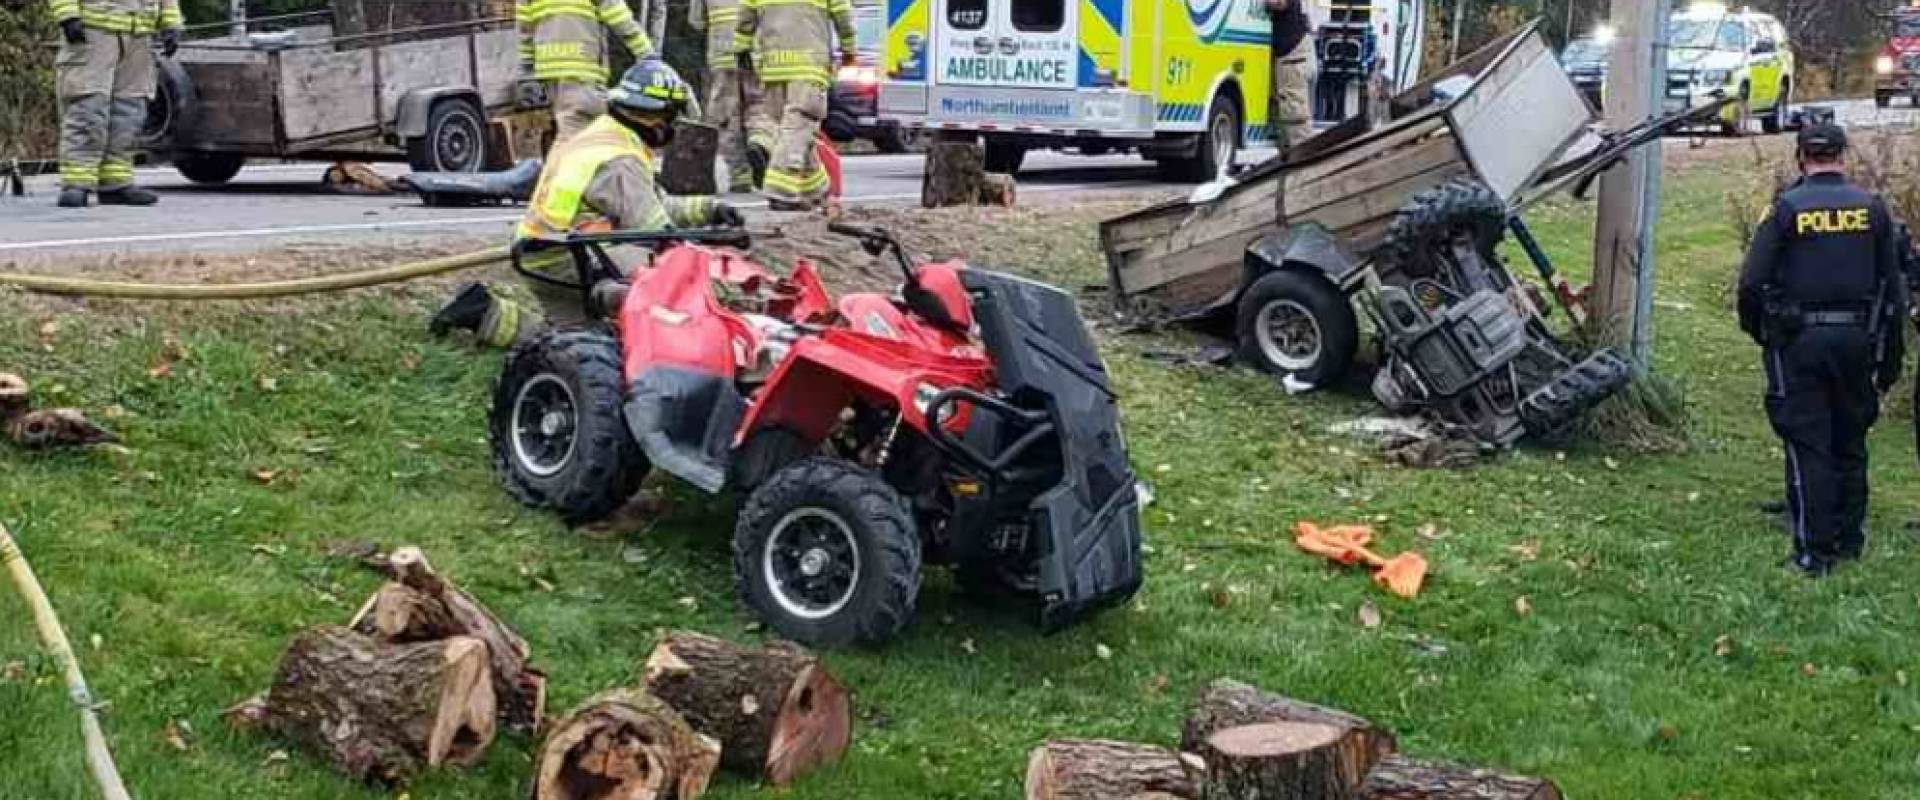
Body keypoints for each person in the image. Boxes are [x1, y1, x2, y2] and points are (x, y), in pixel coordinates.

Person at [433, 60, 746, 348]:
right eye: (672, 116)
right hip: (571, 258)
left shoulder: (603, 135)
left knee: (568, 339)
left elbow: (652, 204)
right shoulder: (621, 160)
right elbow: (656, 233)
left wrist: (708, 210)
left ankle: (483, 312)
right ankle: (617, 307)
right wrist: (713, 246)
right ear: (656, 116)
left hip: (543, 249)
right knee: (658, 287)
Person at [1737, 123, 1907, 576]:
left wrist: (1760, 330)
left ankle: (1815, 555)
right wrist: (1891, 358)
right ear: (1843, 156)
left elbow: (1752, 282)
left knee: (1809, 443)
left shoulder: (1785, 210)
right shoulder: (1872, 210)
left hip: (1800, 342)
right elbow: (1894, 287)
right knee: (1850, 440)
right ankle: (1850, 541)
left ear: (1800, 158)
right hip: (1858, 340)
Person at [49, 0, 181, 208]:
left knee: (130, 110)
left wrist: (171, 23)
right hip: (92, 32)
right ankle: (77, 183)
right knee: (88, 107)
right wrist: (68, 15)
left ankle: (116, 182)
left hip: (139, 34)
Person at [733, 0, 856, 210]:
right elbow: (843, 15)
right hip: (809, 65)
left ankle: (816, 191)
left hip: (773, 68)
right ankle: (780, 191)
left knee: (797, 131)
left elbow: (745, 16)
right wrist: (849, 48)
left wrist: (742, 49)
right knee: (798, 127)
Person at [514, 0, 659, 143]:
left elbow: (525, 27)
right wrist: (646, 53)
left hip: (549, 70)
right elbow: (619, 17)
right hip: (582, 69)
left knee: (570, 126)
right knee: (579, 134)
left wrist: (528, 67)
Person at [691, 0, 765, 193]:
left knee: (726, 116)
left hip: (722, 54)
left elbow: (696, 22)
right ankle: (760, 142)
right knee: (758, 105)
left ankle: (740, 175)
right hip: (756, 52)